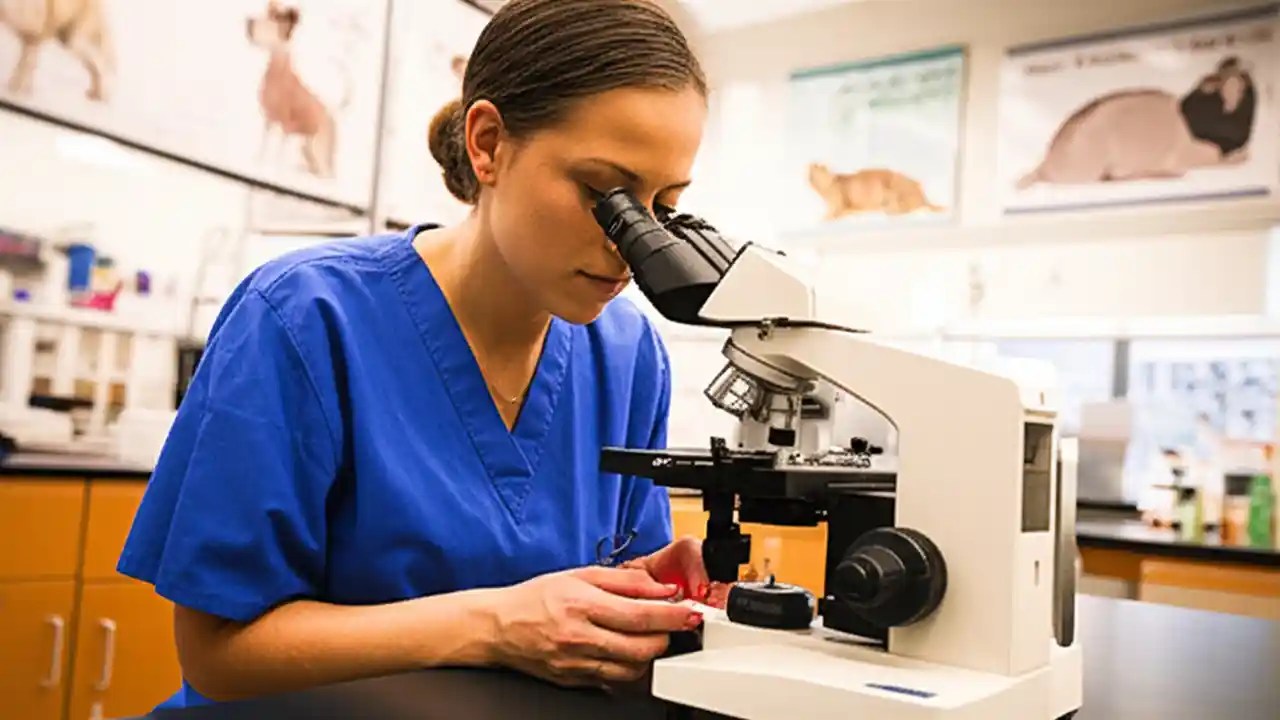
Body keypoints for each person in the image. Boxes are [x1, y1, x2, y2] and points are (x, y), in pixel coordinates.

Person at [116, 0, 715, 708]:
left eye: (663, 207)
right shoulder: (305, 316)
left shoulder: (630, 352)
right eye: (603, 194)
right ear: (488, 143)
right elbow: (219, 655)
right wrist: (492, 624)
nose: (632, 244)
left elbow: (586, 606)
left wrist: (643, 598)